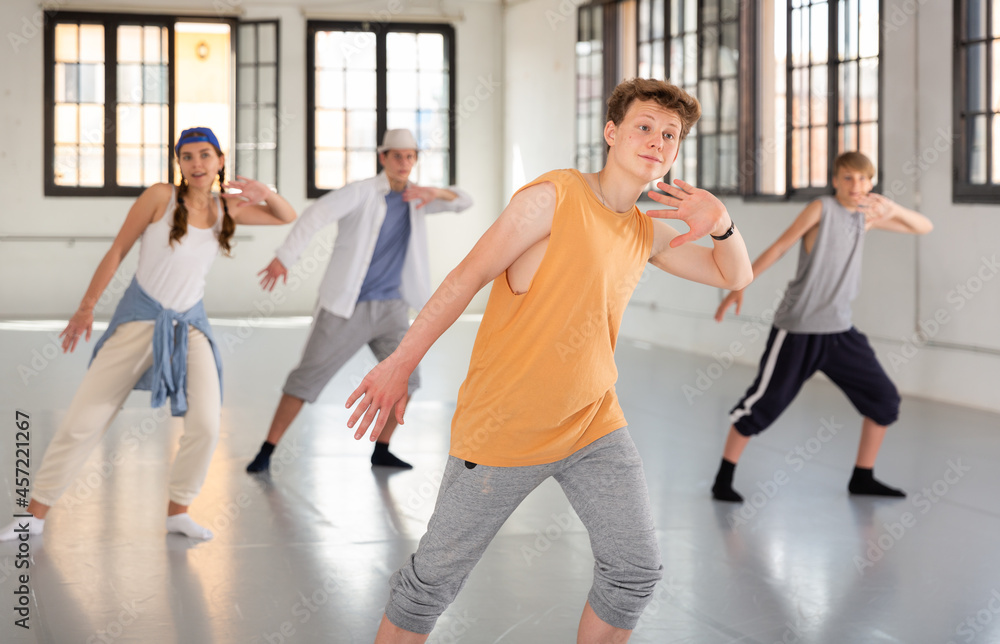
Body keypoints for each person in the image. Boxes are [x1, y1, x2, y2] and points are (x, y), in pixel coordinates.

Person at [346, 78, 752, 643]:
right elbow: (466, 278)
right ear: (611, 133)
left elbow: (736, 275)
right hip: (504, 426)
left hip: (593, 423)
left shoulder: (644, 231)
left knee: (634, 572)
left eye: (670, 135)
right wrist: (396, 364)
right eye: (644, 127)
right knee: (430, 585)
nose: (658, 141)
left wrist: (722, 221)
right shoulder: (553, 198)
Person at [0, 127, 297, 542]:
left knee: (208, 422)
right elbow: (117, 250)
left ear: (220, 160)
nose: (197, 164)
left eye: (205, 155)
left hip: (191, 326)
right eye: (188, 156)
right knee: (85, 419)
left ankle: (179, 510)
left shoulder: (226, 208)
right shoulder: (160, 197)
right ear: (179, 163)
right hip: (140, 318)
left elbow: (287, 216)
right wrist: (86, 309)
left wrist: (264, 190)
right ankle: (35, 514)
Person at [710, 151, 934, 503]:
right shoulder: (821, 209)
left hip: (840, 332)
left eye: (862, 179)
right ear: (835, 181)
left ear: (871, 183)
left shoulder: (866, 218)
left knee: (884, 400)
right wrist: (739, 284)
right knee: (761, 405)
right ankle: (723, 479)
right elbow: (781, 245)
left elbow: (924, 226)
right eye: (847, 178)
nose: (855, 185)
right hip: (797, 330)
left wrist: (892, 209)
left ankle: (863, 477)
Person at [245, 129, 473, 473]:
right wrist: (284, 257)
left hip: (393, 309)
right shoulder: (362, 192)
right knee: (306, 379)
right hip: (346, 308)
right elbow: (315, 215)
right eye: (397, 156)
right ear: (383, 157)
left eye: (410, 156)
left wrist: (435, 191)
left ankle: (381, 449)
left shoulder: (418, 198)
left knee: (408, 380)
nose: (404, 162)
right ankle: (267, 449)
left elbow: (464, 200)